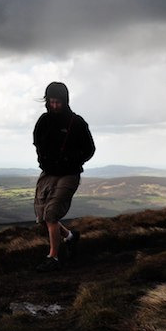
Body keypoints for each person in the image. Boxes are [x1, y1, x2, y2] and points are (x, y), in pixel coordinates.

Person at [32, 81, 95, 272]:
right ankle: (70, 237)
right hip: (48, 172)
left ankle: (53, 257)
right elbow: (37, 142)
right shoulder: (44, 121)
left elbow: (89, 149)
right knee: (42, 216)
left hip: (69, 174)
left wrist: (72, 160)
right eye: (51, 101)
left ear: (65, 101)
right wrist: (43, 159)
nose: (54, 105)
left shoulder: (76, 122)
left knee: (51, 214)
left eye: (58, 102)